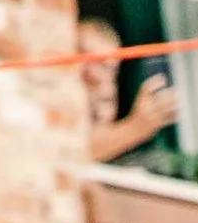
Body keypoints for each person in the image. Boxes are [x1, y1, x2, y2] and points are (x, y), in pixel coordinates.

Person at [76, 12, 183, 168]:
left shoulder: (104, 100)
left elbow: (86, 151)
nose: (91, 72)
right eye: (81, 55)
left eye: (104, 66)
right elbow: (68, 151)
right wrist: (135, 127)